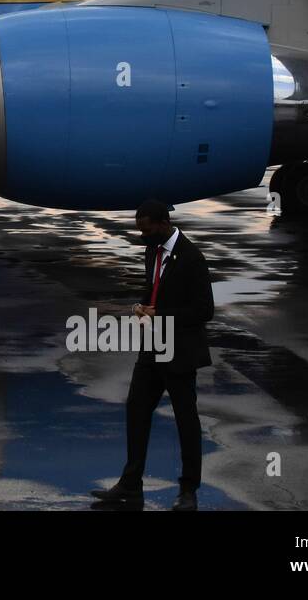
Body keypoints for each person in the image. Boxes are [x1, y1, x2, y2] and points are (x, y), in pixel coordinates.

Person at [91, 200, 214, 511]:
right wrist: (141, 307)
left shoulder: (191, 258)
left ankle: (188, 491)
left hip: (181, 351)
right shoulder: (153, 250)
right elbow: (153, 290)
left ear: (162, 224)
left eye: (146, 230)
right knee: (136, 410)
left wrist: (162, 314)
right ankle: (131, 485)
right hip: (153, 346)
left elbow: (204, 311)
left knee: (186, 421)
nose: (142, 237)